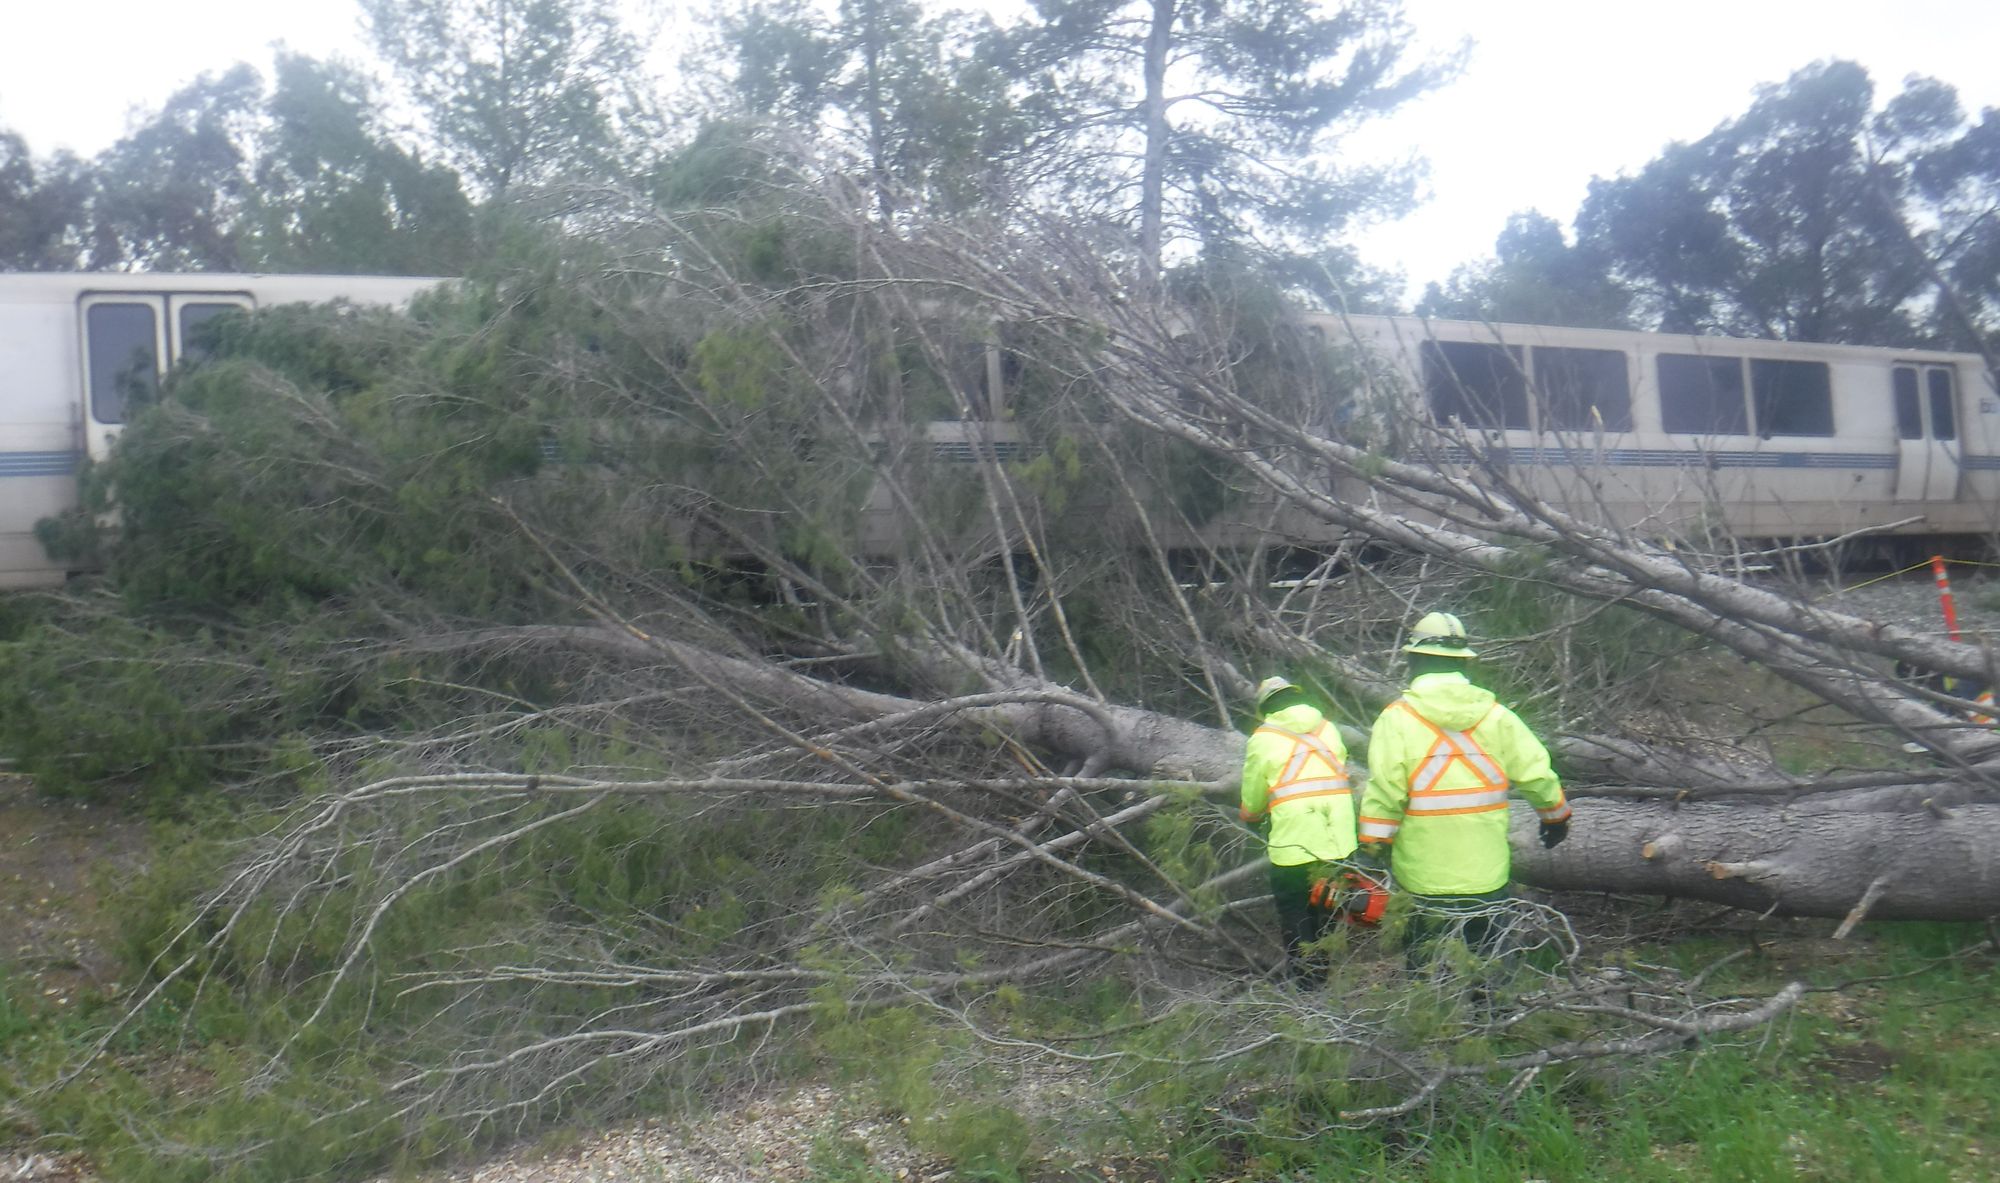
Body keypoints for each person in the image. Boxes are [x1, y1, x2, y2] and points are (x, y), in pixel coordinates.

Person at [1356, 612, 1571, 966]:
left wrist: (1371, 850)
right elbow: (1537, 773)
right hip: (1486, 874)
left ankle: (1433, 1016)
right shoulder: (1497, 716)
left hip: (1422, 878)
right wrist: (1555, 817)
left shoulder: (1397, 719)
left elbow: (1385, 794)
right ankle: (1493, 1018)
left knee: (1425, 974)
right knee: (1490, 969)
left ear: (1414, 659)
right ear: (1463, 663)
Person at [1240, 675, 1358, 983]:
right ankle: (1328, 977)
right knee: (1328, 912)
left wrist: (1252, 816)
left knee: (1296, 916)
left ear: (1265, 709)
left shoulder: (1262, 738)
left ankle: (1306, 990)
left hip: (1293, 847)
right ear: (1298, 698)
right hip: (1339, 841)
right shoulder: (1327, 728)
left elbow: (1251, 804)